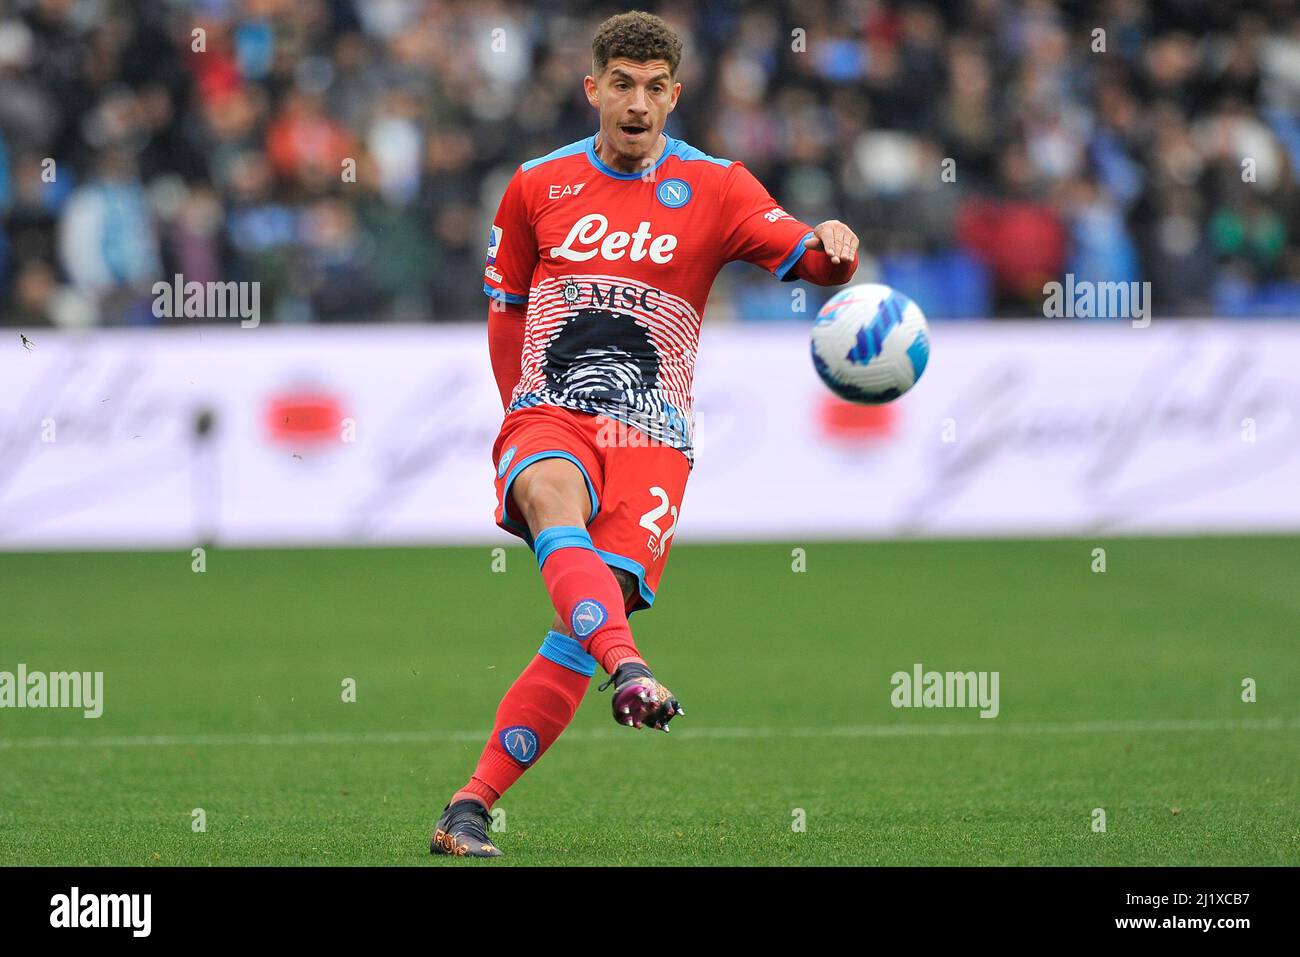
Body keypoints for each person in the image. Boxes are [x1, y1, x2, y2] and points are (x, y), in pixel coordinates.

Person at [432, 10, 859, 857]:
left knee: (581, 627)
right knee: (551, 500)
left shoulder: (720, 187)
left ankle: (467, 808)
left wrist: (836, 250)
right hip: (549, 406)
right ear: (593, 89)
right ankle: (632, 670)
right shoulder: (535, 185)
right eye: (620, 85)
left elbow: (807, 259)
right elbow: (507, 306)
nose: (636, 102)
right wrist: (518, 404)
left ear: (675, 94)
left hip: (653, 433)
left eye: (654, 87)